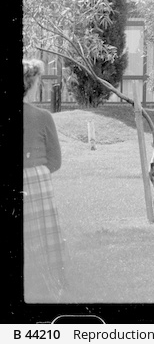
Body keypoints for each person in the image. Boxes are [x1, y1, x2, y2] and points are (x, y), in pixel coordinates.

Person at [23, 58, 67, 301]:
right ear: (31, 84)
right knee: (43, 242)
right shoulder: (42, 117)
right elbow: (55, 161)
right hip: (37, 183)